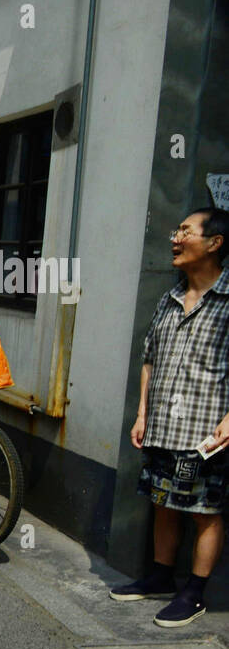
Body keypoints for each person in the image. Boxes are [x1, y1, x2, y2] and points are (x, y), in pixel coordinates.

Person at [112, 206, 229, 627]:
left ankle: (194, 593)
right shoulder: (170, 297)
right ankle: (160, 577)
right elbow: (149, 359)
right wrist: (142, 412)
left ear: (214, 243)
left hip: (206, 430)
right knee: (163, 502)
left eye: (185, 231)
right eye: (176, 230)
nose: (174, 239)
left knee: (203, 511)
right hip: (162, 425)